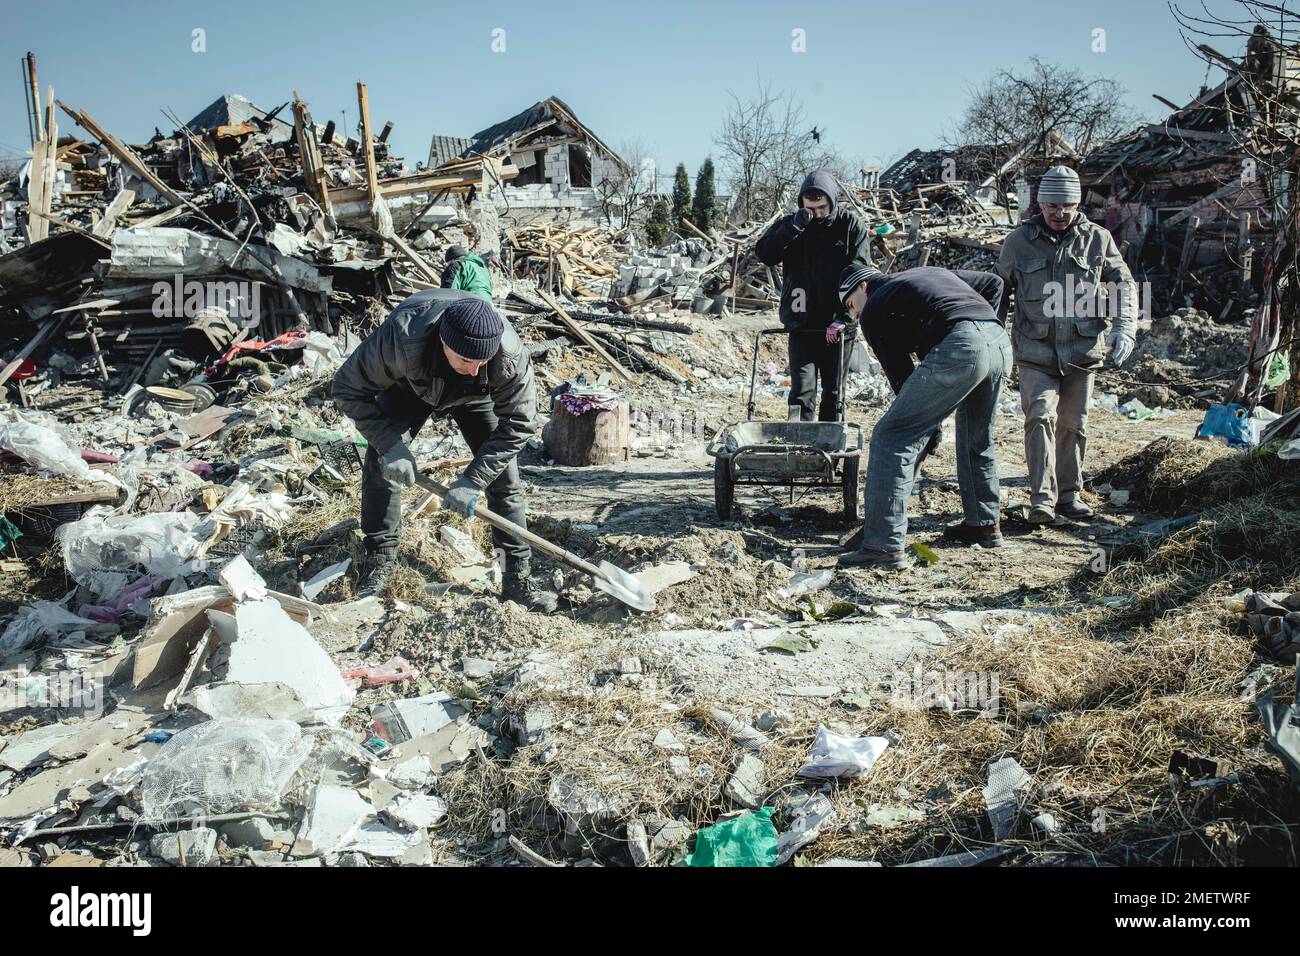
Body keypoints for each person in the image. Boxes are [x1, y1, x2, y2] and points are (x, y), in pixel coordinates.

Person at [331, 289, 556, 611]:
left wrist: (473, 480)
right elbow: (346, 388)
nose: (475, 368)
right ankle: (380, 560)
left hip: (478, 398)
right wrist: (391, 446)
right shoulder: (402, 337)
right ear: (444, 343)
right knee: (382, 467)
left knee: (505, 484)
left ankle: (516, 578)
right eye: (466, 359)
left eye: (484, 360)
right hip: (409, 388)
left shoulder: (508, 356)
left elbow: (519, 424)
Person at [837, 265, 1013, 570]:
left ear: (863, 286)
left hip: (963, 344)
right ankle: (984, 525)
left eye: (851, 304)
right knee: (976, 436)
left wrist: (925, 430)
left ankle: (883, 545)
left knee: (892, 436)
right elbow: (994, 282)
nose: (853, 314)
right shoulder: (928, 275)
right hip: (998, 342)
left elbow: (901, 378)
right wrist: (987, 325)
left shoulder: (876, 309)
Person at [997, 165, 1138, 524]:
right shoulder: (1017, 242)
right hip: (1036, 351)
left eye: (1067, 206)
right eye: (1052, 206)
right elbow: (997, 293)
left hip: (1081, 350)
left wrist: (1126, 328)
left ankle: (1069, 496)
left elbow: (1123, 284)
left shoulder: (1098, 240)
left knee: (1074, 424)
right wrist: (992, 339)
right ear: (1040, 205)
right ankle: (1041, 499)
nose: (1059, 214)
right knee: (1039, 417)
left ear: (1077, 204)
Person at [756, 169, 873, 421]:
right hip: (802, 324)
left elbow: (860, 273)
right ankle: (799, 449)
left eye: (821, 208)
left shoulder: (850, 226)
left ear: (832, 201)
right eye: (811, 208)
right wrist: (793, 228)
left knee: (833, 393)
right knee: (801, 391)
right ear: (802, 204)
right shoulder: (794, 224)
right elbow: (765, 254)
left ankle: (829, 452)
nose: (817, 214)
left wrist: (845, 318)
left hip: (837, 325)